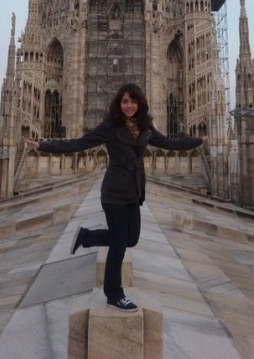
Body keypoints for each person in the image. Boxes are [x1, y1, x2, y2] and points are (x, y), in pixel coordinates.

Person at [25, 82, 208, 312]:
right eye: (124, 102)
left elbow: (169, 143)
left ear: (139, 103)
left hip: (133, 191)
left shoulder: (145, 126)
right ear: (119, 104)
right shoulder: (110, 126)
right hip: (113, 192)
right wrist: (43, 145)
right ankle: (114, 294)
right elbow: (80, 143)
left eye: (133, 101)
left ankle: (87, 237)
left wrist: (197, 141)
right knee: (119, 245)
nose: (129, 106)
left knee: (132, 239)